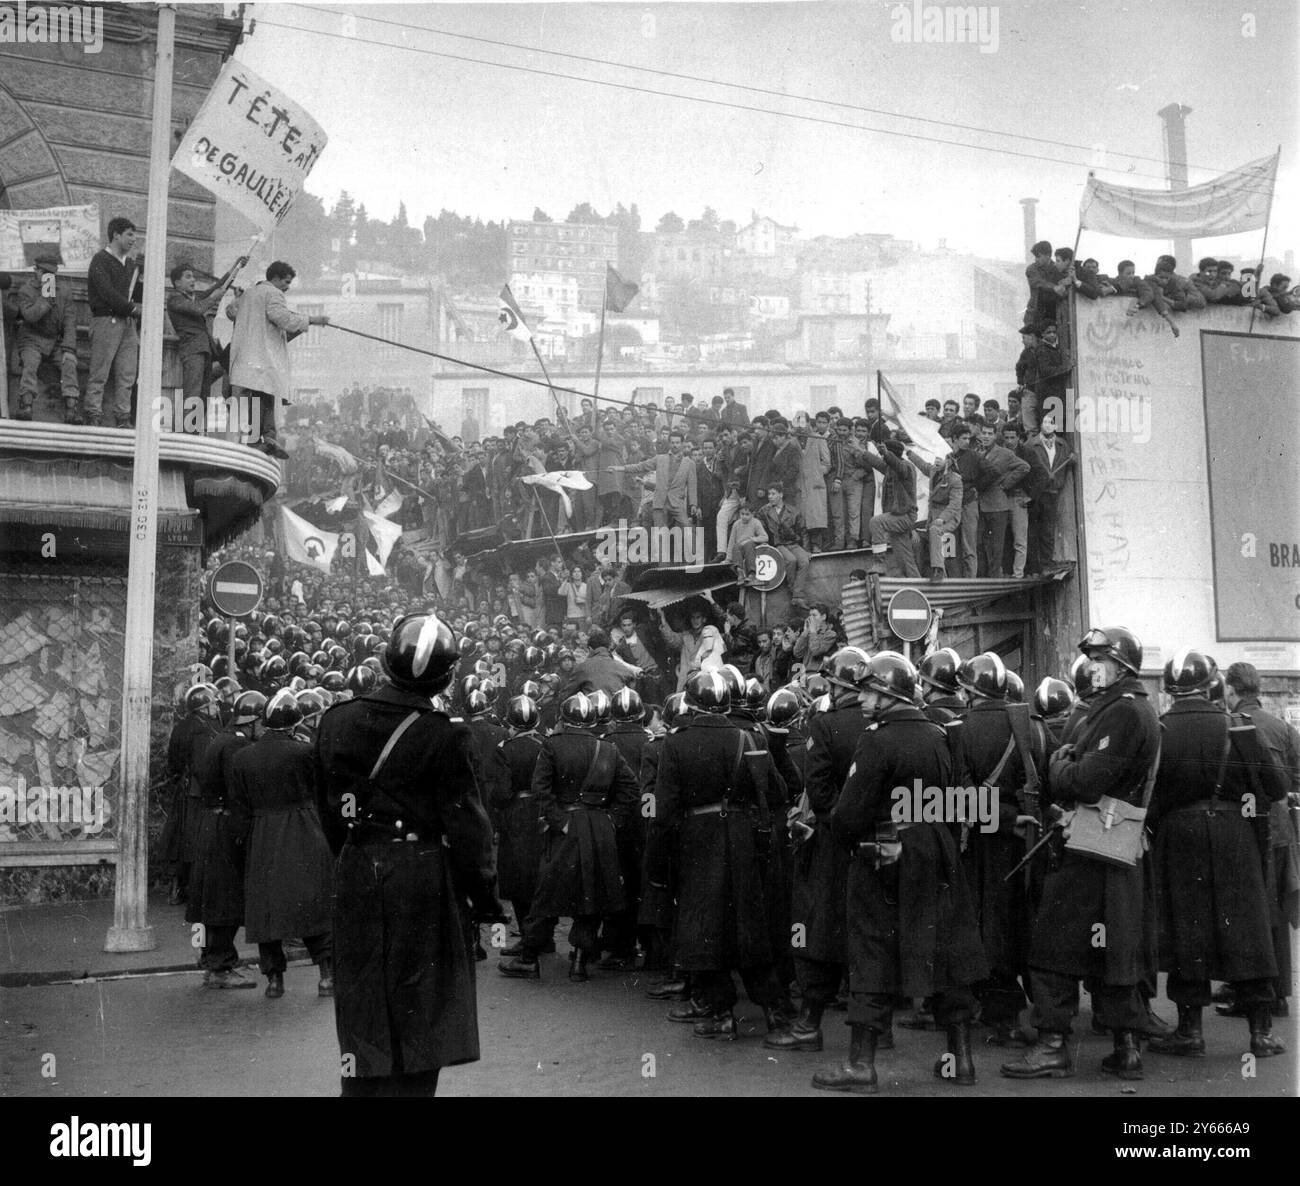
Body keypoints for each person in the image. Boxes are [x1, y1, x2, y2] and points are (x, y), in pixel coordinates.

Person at [314, 612, 501, 1097]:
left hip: (357, 871)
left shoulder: (335, 720)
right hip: (421, 878)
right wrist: (484, 903)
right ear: (446, 676)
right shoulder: (445, 734)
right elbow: (469, 831)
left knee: (362, 1007)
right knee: (421, 1014)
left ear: (385, 660)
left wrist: (357, 853)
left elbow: (329, 813)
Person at [819, 652, 988, 1093]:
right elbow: (956, 800)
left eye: (870, 691)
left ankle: (861, 1065)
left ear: (887, 694)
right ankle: (961, 1060)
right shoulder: (937, 733)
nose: (864, 699)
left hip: (885, 847)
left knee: (872, 946)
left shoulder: (876, 739)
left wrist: (844, 833)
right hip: (935, 846)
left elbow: (850, 813)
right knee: (945, 948)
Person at [1002, 626, 1161, 1082]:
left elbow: (1087, 781)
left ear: (1123, 667)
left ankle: (1053, 1045)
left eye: (1100, 659)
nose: (1091, 666)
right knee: (1115, 947)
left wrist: (1059, 765)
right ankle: (1126, 1047)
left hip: (1094, 842)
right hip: (1117, 843)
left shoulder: (1122, 713)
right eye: (1090, 658)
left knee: (1053, 942)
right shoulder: (1128, 708)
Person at [1144, 651, 1286, 1060]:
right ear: (1213, 686)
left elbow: (1149, 795)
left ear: (1170, 690)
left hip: (1178, 836)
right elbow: (1275, 787)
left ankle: (1189, 1031)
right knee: (1247, 926)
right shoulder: (1238, 726)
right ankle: (1260, 1034)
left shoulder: (1160, 730)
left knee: (1188, 929)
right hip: (1234, 836)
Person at [647, 670, 789, 1039]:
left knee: (703, 927)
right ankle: (775, 1012)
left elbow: (664, 812)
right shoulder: (750, 735)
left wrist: (659, 863)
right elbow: (776, 791)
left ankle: (719, 1014)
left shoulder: (676, 743)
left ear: (690, 704)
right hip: (742, 839)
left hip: (697, 840)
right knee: (750, 925)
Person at [766, 649, 868, 1055]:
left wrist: (838, 822)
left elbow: (820, 791)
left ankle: (809, 1024)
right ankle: (879, 1030)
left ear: (838, 685)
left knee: (818, 932)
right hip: (884, 841)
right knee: (871, 935)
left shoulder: (826, 726)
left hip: (833, 842)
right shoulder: (898, 725)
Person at [499, 692, 638, 981]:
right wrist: (610, 819)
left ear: (563, 718)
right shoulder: (607, 749)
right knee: (591, 895)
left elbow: (541, 790)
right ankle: (579, 959)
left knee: (546, 893)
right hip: (597, 827)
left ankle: (528, 958)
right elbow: (630, 791)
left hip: (565, 826)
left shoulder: (552, 746)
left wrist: (558, 821)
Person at [229, 689, 334, 999]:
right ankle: (326, 976)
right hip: (303, 829)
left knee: (266, 909)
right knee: (314, 902)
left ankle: (275, 979)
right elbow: (323, 792)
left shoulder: (242, 757)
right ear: (293, 725)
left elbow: (240, 808)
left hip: (262, 834)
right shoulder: (304, 752)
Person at [1223, 662, 1300, 1018]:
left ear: (1233, 689)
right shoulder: (1283, 728)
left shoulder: (1232, 725)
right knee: (1278, 911)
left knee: (1249, 912)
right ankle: (1280, 992)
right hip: (1281, 828)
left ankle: (1256, 994)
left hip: (1247, 827)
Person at [188, 689, 266, 990]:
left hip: (210, 821)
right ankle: (221, 965)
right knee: (226, 899)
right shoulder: (237, 744)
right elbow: (239, 790)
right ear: (254, 720)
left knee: (211, 897)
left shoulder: (220, 737)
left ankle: (212, 961)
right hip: (226, 824)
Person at [226, 261, 329, 459]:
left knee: (259, 397)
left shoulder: (248, 293)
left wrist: (237, 299)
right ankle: (267, 438)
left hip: (247, 357)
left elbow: (231, 313)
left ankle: (262, 439)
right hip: (264, 356)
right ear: (275, 278)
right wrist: (313, 320)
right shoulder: (273, 293)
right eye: (286, 282)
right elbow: (283, 318)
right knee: (267, 396)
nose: (287, 287)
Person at [490, 696, 553, 959]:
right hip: (542, 812)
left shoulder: (505, 748)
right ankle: (544, 936)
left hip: (516, 815)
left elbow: (502, 793)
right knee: (541, 876)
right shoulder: (546, 744)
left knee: (517, 878)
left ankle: (529, 937)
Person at [83, 217, 141, 427]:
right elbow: (106, 292)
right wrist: (132, 309)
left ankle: (123, 417)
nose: (134, 239)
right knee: (100, 371)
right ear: (116, 234)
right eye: (129, 234)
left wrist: (143, 275)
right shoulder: (100, 260)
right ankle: (93, 413)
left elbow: (135, 292)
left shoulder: (131, 265)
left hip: (127, 323)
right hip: (107, 320)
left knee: (127, 374)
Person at [12, 253, 79, 421]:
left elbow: (70, 322)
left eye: (52, 274)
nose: (48, 277)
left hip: (54, 341)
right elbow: (30, 316)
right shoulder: (26, 290)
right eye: (44, 273)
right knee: (30, 364)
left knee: (69, 363)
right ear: (37, 271)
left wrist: (69, 348)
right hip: (31, 339)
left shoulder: (63, 292)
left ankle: (71, 409)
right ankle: (26, 405)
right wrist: (46, 300)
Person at [167, 261, 239, 412]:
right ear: (177, 283)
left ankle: (193, 432)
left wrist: (235, 268)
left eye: (193, 277)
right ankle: (185, 433)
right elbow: (199, 309)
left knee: (203, 397)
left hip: (203, 351)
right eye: (188, 277)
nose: (193, 280)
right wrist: (214, 297)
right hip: (193, 351)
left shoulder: (191, 298)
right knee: (192, 394)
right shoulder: (175, 299)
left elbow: (218, 287)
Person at [905, 445, 963, 582]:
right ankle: (916, 574)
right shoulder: (934, 472)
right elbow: (922, 464)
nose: (937, 461)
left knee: (935, 531)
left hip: (949, 518)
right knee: (915, 534)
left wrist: (942, 519)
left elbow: (955, 505)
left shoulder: (955, 479)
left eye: (940, 458)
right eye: (936, 458)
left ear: (948, 461)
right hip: (933, 517)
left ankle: (939, 570)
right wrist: (908, 452)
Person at [865, 436, 920, 578]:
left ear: (892, 454)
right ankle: (917, 584)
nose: (882, 458)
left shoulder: (906, 467)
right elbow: (876, 462)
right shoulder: (890, 468)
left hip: (905, 516)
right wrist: (858, 450)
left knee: (876, 522)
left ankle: (880, 563)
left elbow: (898, 466)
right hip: (896, 516)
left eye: (885, 455)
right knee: (904, 558)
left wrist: (886, 454)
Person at [757, 485, 813, 607]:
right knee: (791, 560)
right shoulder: (764, 512)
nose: (770, 497)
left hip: (793, 543)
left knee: (804, 561)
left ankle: (797, 595)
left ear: (781, 495)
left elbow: (803, 531)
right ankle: (796, 594)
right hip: (777, 544)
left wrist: (806, 550)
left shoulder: (794, 511)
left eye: (773, 494)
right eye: (769, 494)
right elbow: (759, 529)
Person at [658, 604, 726, 690]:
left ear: (704, 619)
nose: (695, 620)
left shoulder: (710, 634)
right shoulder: (685, 636)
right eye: (693, 618)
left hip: (704, 682)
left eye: (698, 617)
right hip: (686, 681)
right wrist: (663, 619)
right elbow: (672, 639)